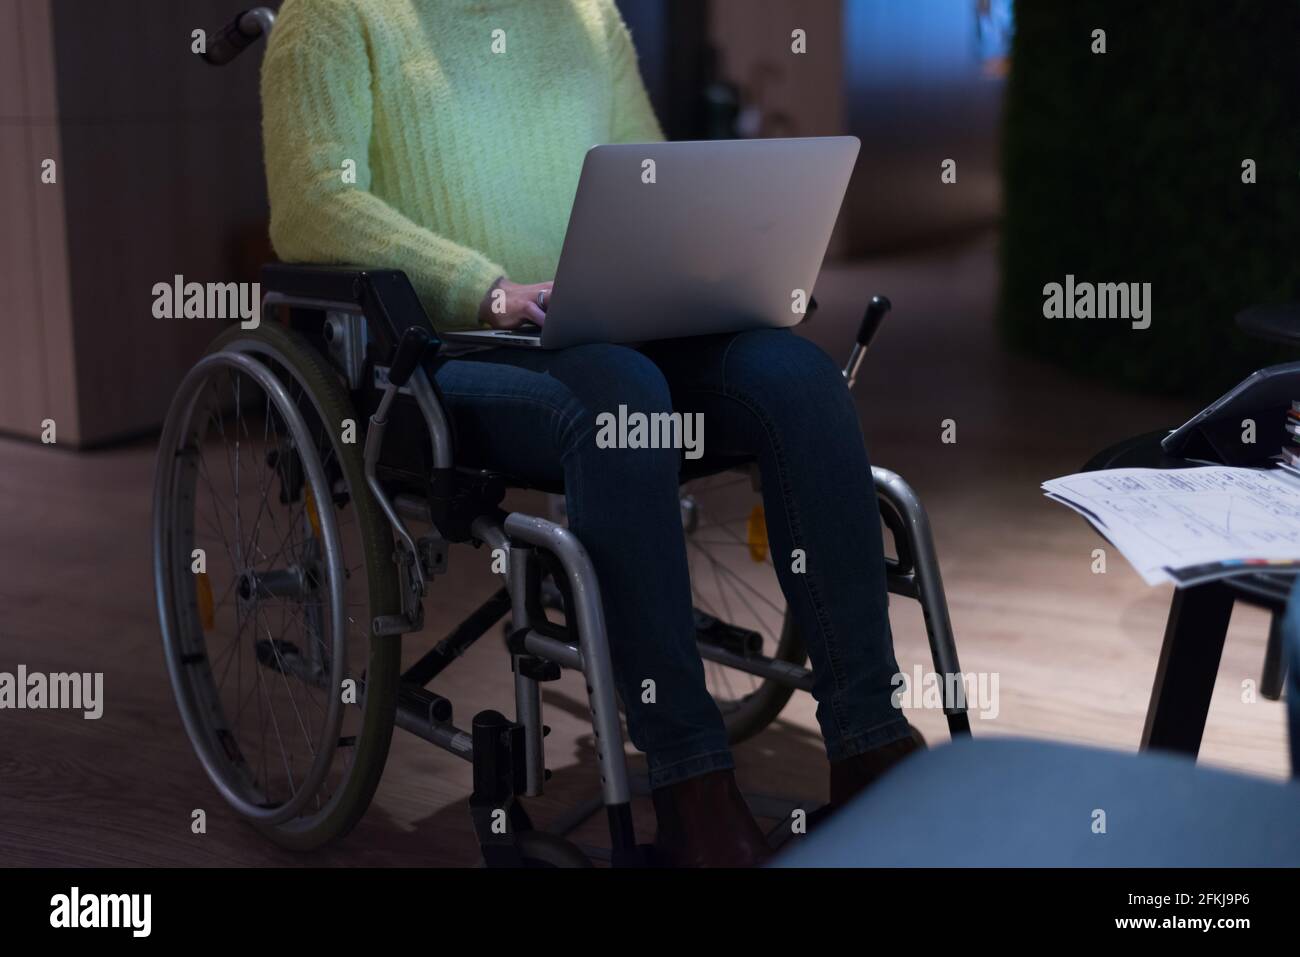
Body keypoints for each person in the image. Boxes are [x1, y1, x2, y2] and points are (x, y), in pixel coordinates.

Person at [261, 0, 921, 867]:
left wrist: (728, 268)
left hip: (614, 322)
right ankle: (690, 787)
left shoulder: (584, 13)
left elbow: (648, 172)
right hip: (449, 350)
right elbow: (314, 206)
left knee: (798, 383)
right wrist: (487, 286)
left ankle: (870, 744)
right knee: (621, 396)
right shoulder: (332, 16)